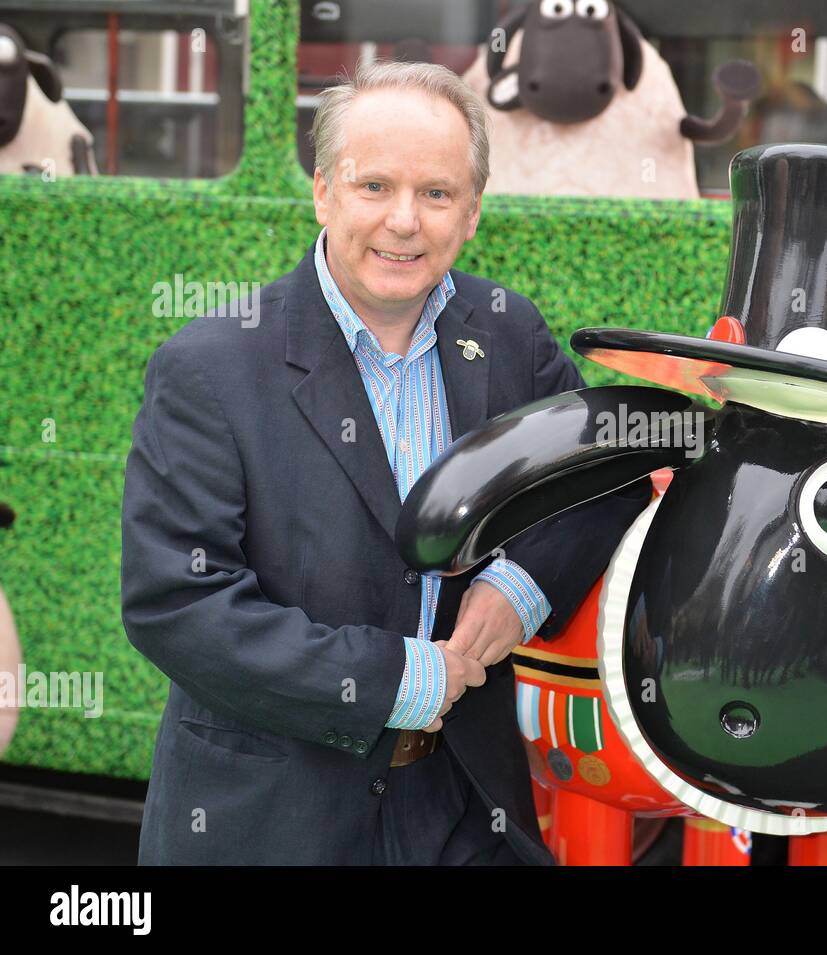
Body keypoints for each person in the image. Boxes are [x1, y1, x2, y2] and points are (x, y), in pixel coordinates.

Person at [120, 60, 649, 865]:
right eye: (374, 187)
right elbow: (179, 604)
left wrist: (522, 588)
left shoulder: (509, 335)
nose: (404, 221)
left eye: (436, 194)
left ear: (471, 213)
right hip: (271, 824)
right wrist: (396, 679)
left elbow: (607, 480)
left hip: (468, 807)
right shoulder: (209, 368)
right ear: (323, 191)